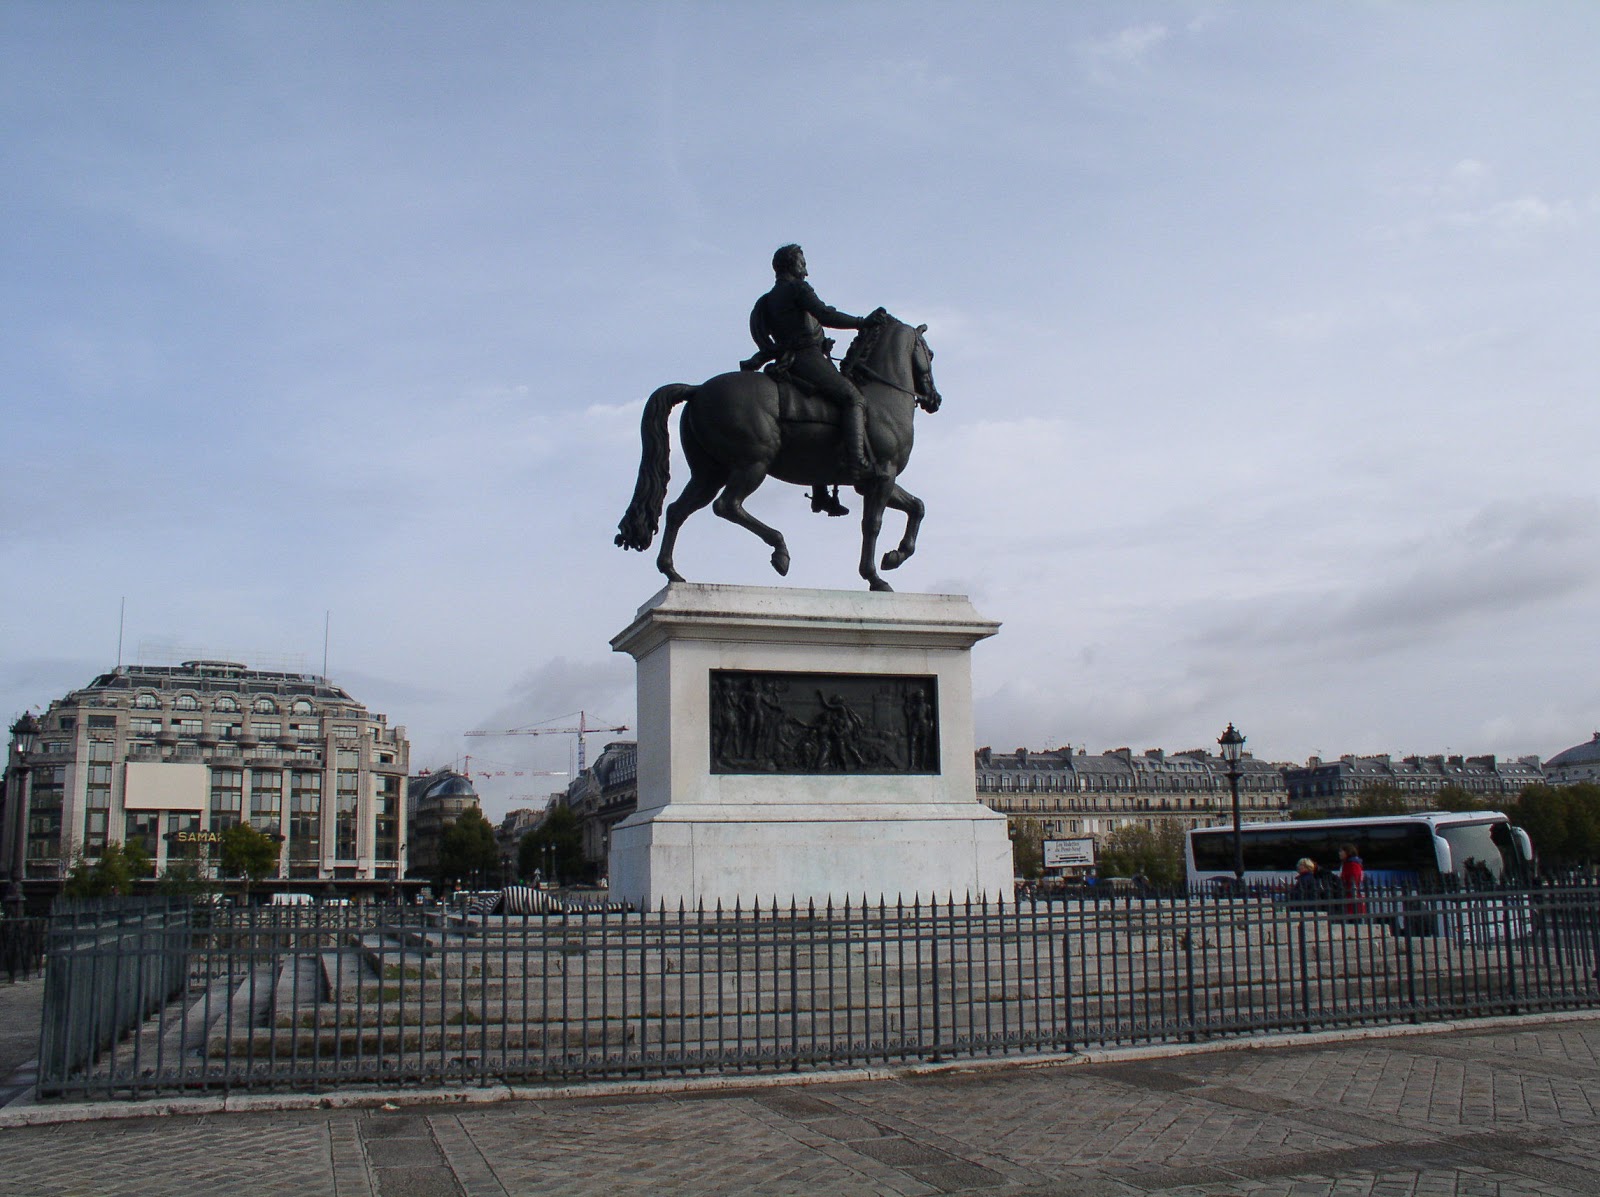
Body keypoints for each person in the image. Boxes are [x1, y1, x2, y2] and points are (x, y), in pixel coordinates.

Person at [742, 244, 875, 515]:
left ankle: (821, 493)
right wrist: (863, 322)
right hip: (807, 357)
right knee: (853, 398)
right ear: (792, 265)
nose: (806, 267)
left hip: (786, 360)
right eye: (802, 262)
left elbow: (762, 335)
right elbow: (825, 314)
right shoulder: (798, 289)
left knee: (823, 410)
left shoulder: (767, 300)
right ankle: (856, 461)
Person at [1337, 843, 1366, 919]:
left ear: (1347, 852)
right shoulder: (1346, 864)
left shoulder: (1352, 864)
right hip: (1348, 898)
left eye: (1341, 851)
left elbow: (1353, 881)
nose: (1339, 853)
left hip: (1351, 900)